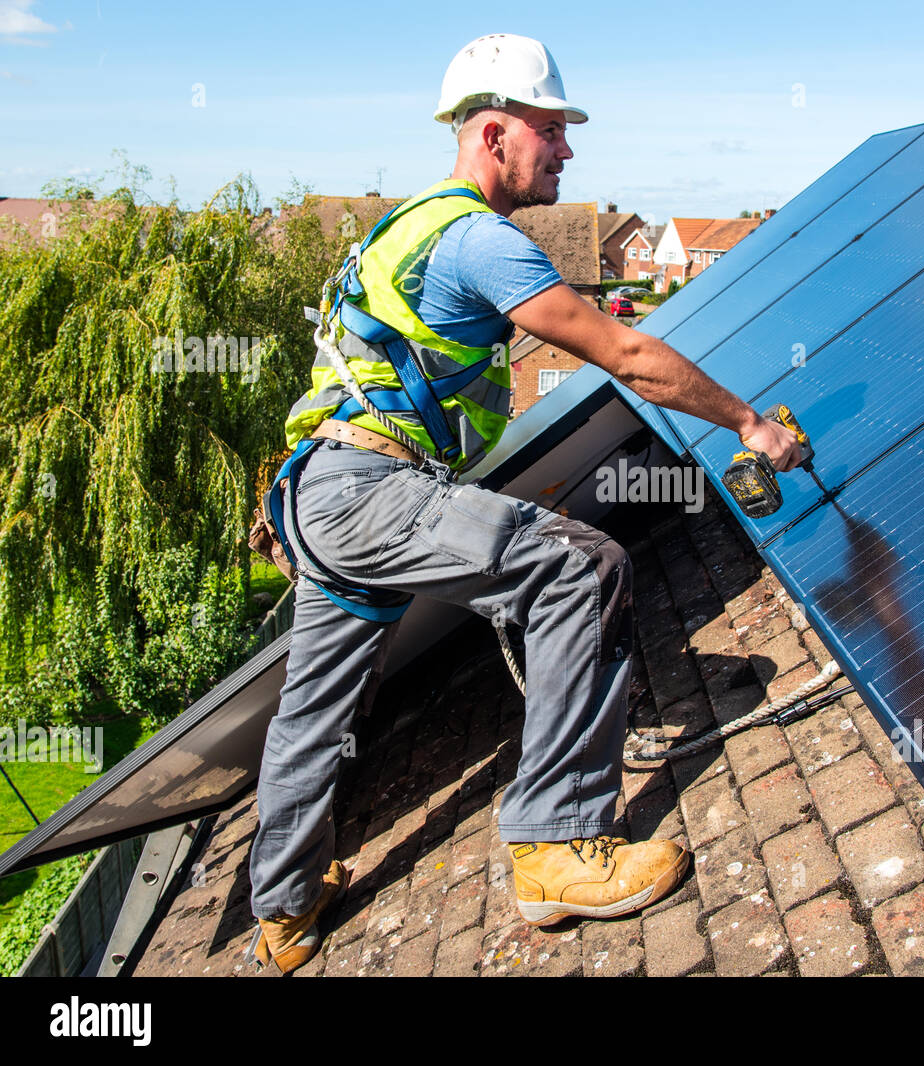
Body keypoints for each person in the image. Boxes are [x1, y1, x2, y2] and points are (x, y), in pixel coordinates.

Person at [248, 32, 800, 974]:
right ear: (495, 133)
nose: (569, 151)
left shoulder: (405, 225)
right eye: (552, 131)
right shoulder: (477, 239)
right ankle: (555, 849)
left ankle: (285, 910)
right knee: (579, 568)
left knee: (314, 712)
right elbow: (624, 355)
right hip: (369, 492)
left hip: (316, 496)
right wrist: (748, 421)